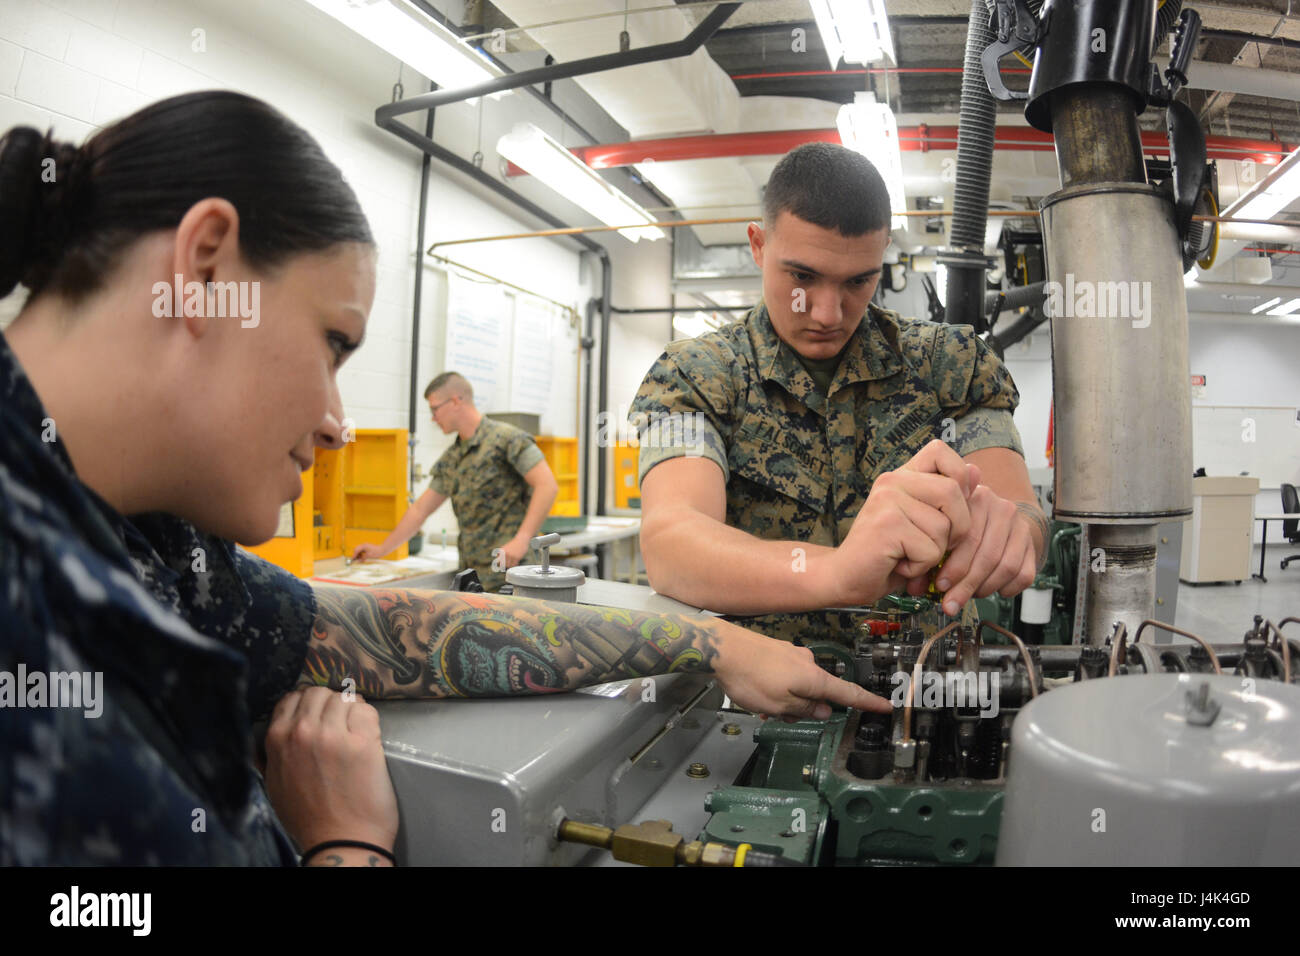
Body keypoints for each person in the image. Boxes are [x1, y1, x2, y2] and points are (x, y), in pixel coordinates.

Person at [0, 92, 887, 867]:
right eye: (333, 345)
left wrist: (709, 643)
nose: (336, 424)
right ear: (204, 271)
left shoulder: (137, 536)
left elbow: (381, 627)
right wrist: (347, 848)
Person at [631, 143, 1049, 640]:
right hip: (761, 704)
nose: (828, 313)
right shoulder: (698, 374)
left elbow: (1022, 512)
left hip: (929, 690)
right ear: (758, 245)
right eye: (803, 277)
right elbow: (673, 545)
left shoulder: (950, 363)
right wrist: (836, 573)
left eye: (859, 281)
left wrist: (1016, 534)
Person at [351, 371, 556, 592]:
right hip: (474, 578)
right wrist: (382, 549)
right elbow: (420, 509)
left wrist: (522, 540)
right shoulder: (453, 457)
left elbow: (547, 485)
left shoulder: (507, 440)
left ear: (456, 400)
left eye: (434, 409)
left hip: (512, 574)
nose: (433, 417)